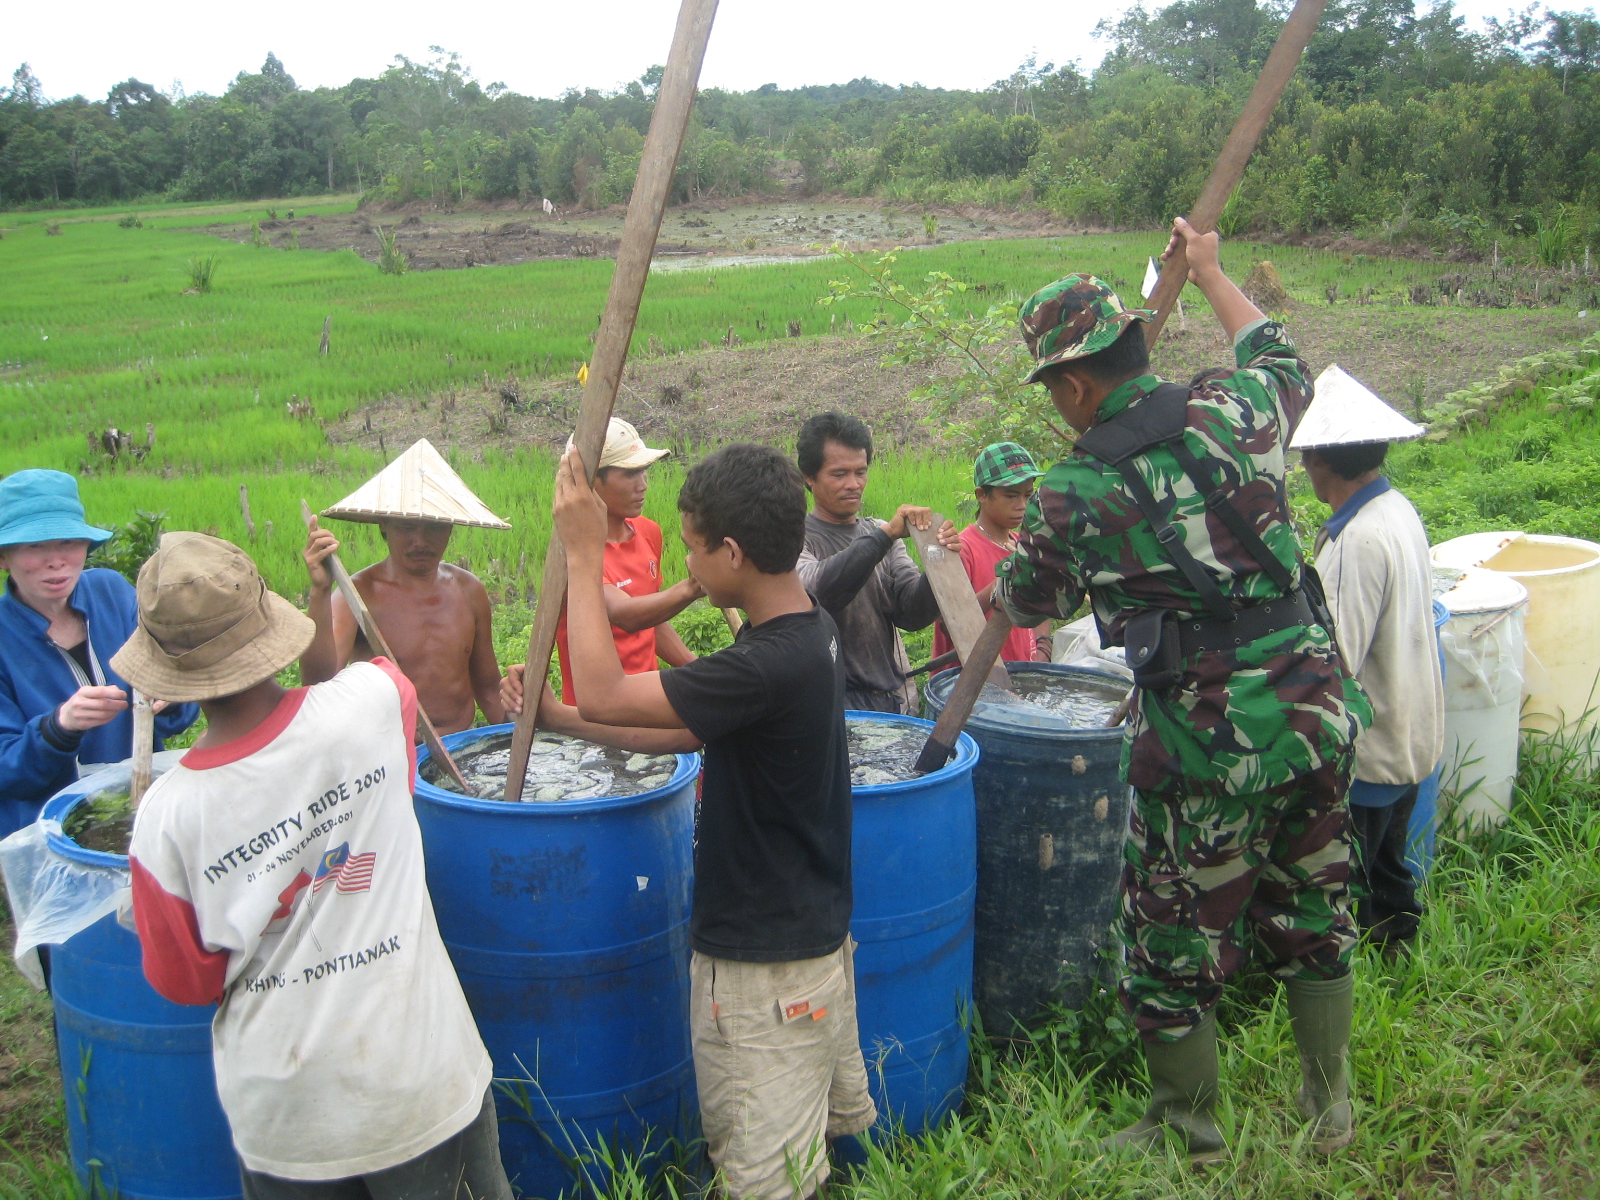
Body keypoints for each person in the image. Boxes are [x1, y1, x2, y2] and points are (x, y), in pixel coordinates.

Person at [991, 219, 1370, 1161]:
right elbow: (1279, 355)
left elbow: (1030, 599)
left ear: (1075, 385)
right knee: (1314, 905)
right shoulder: (1235, 406)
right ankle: (1331, 1109)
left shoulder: (1072, 490)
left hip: (1208, 743)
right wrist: (1208, 271)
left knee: (1169, 933)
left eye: (1054, 391)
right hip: (1316, 711)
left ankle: (1187, 1129)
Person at [502, 442, 876, 1200]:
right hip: (811, 937)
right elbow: (684, 730)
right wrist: (561, 719)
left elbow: (609, 692)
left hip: (763, 969)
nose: (687, 564)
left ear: (731, 553)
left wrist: (583, 554)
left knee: (763, 1178)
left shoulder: (763, 664)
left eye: (694, 548)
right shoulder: (806, 628)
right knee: (810, 1149)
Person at [118, 532, 512, 1200]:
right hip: (416, 1080)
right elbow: (348, 690)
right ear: (269, 626)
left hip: (285, 1114)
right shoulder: (374, 702)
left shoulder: (164, 817)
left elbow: (187, 983)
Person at [1295, 370, 1442, 958]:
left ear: (1320, 459)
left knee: (1346, 882)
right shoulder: (1396, 508)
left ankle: (1347, 976)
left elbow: (1338, 658)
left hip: (1373, 749)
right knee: (1388, 871)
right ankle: (1398, 958)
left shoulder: (1355, 541)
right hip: (1411, 731)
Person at [0, 469, 196, 833]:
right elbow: (7, 771)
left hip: (143, 807)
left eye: (67, 542)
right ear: (3, 557)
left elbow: (179, 713)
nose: (56, 560)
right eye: (34, 546)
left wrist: (171, 692)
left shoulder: (111, 592)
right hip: (49, 831)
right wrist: (59, 727)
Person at [301, 438, 507, 736]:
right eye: (407, 527)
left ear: (450, 526)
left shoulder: (468, 590)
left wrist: (521, 735)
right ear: (383, 523)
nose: (420, 541)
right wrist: (319, 592)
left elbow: (488, 688)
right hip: (389, 751)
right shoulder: (356, 595)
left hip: (460, 744)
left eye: (433, 527)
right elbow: (318, 683)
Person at [795, 412, 959, 713]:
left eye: (860, 472)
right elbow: (819, 591)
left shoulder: (879, 531)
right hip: (825, 705)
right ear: (809, 476)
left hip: (884, 701)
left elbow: (910, 614)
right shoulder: (796, 540)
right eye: (839, 474)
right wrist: (885, 536)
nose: (853, 484)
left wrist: (938, 558)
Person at [553, 418, 701, 704]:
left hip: (645, 700)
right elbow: (625, 615)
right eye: (631, 474)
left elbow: (650, 619)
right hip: (597, 711)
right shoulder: (576, 554)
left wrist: (697, 668)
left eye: (643, 472)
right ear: (590, 481)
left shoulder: (648, 532)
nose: (643, 485)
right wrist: (694, 586)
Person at [931, 442, 1053, 666]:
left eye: (1028, 495)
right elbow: (950, 625)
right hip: (970, 681)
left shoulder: (1023, 545)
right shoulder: (961, 550)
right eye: (1011, 496)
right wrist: (1001, 582)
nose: (1022, 505)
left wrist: (1043, 648)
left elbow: (1040, 604)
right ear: (982, 495)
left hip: (1020, 673)